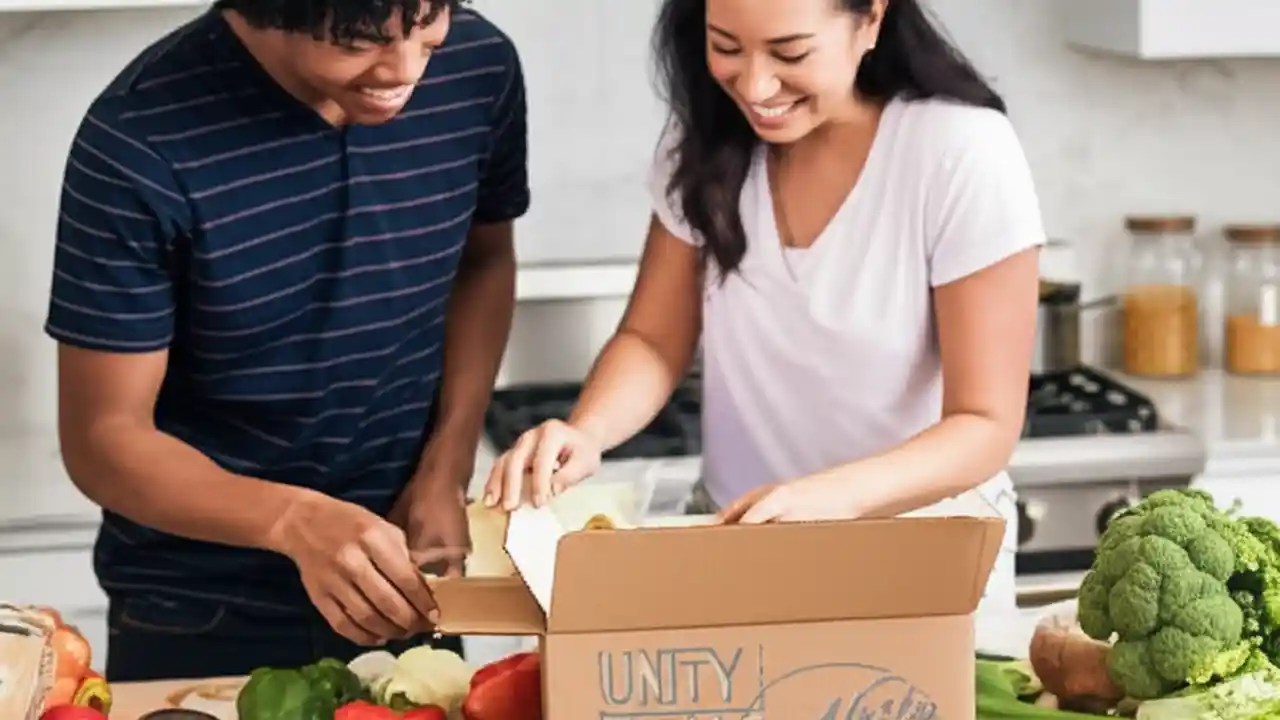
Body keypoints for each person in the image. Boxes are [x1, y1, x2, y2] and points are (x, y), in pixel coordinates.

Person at [485, 0, 1042, 609]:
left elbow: (985, 423)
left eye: (791, 53)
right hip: (740, 543)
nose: (755, 86)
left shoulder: (960, 150)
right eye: (726, 47)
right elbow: (652, 340)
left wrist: (830, 499)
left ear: (871, 19)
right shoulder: (703, 140)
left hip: (926, 558)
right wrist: (587, 431)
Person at [45, 0, 527, 681]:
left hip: (406, 578)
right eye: (362, 42)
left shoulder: (478, 66)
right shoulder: (138, 140)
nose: (406, 69)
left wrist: (444, 470)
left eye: (426, 25)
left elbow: (483, 260)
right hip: (199, 607)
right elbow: (103, 439)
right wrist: (292, 521)